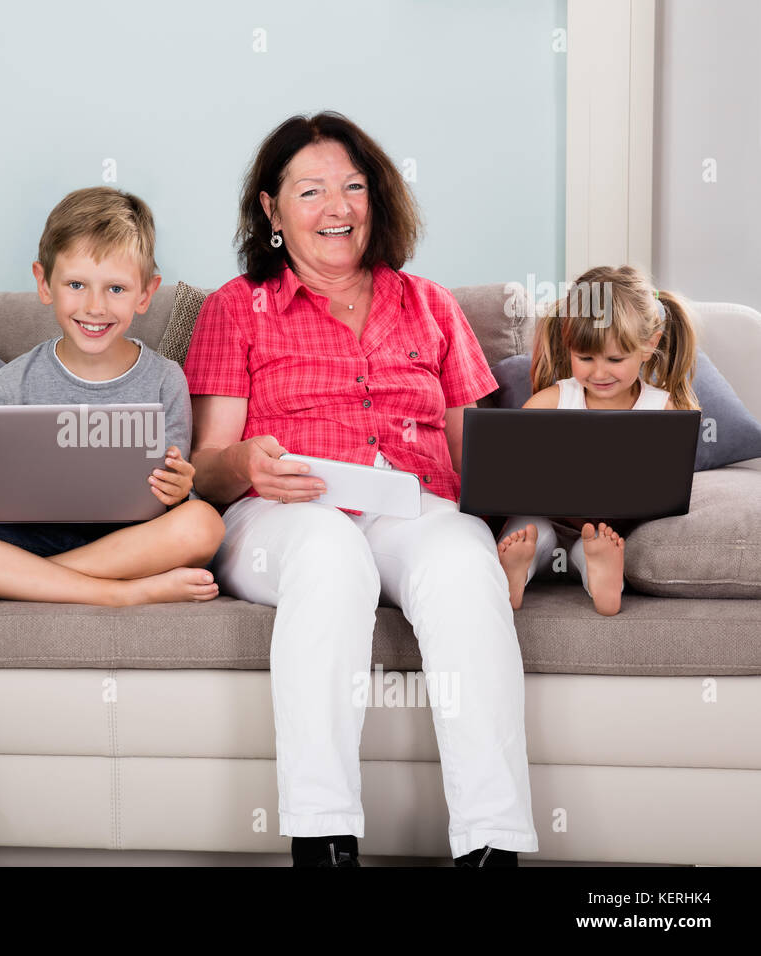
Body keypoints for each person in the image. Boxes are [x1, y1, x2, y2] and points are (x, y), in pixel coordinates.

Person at [185, 112, 539, 867]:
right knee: (329, 553)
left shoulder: (431, 305)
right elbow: (207, 467)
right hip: (280, 513)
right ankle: (324, 839)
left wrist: (548, 484)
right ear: (271, 211)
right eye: (310, 190)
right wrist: (247, 461)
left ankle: (492, 846)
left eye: (352, 186)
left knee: (460, 564)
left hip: (410, 506)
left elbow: (474, 449)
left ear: (376, 200)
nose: (336, 207)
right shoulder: (234, 307)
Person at [0, 187, 225, 607]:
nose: (95, 306)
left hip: (126, 541)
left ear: (146, 293)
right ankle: (118, 594)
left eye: (116, 289)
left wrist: (181, 489)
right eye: (76, 284)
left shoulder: (166, 379)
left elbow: (175, 494)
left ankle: (8, 584)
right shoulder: (10, 384)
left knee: (203, 525)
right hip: (22, 538)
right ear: (44, 283)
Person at [497, 266, 700, 616]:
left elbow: (672, 482)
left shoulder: (661, 408)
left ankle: (602, 579)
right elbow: (507, 464)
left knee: (596, 547)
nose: (599, 373)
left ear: (649, 344)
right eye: (585, 358)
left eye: (615, 359)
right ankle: (513, 575)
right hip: (550, 519)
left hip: (609, 530)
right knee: (528, 530)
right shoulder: (553, 401)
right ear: (569, 345)